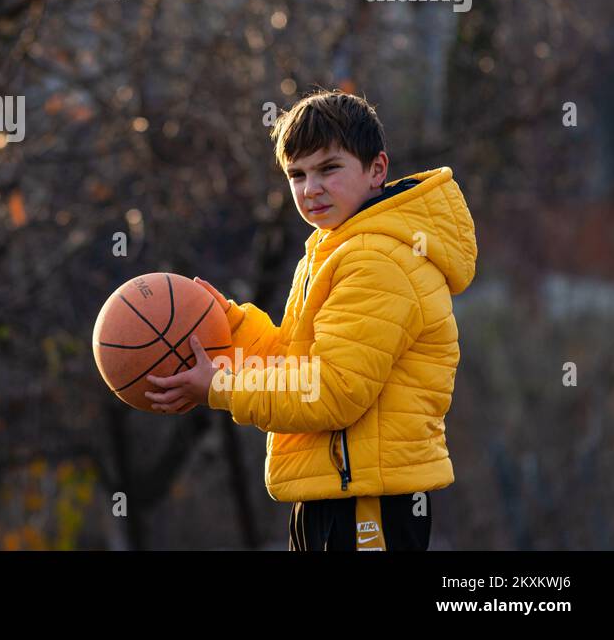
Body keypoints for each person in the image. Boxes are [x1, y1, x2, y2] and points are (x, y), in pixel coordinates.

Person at [145, 88, 477, 550]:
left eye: (328, 169)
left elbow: (332, 392)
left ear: (376, 169)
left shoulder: (377, 260)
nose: (310, 188)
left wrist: (220, 387)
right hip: (332, 494)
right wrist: (231, 326)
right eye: (296, 174)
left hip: (369, 501)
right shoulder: (330, 250)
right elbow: (295, 365)